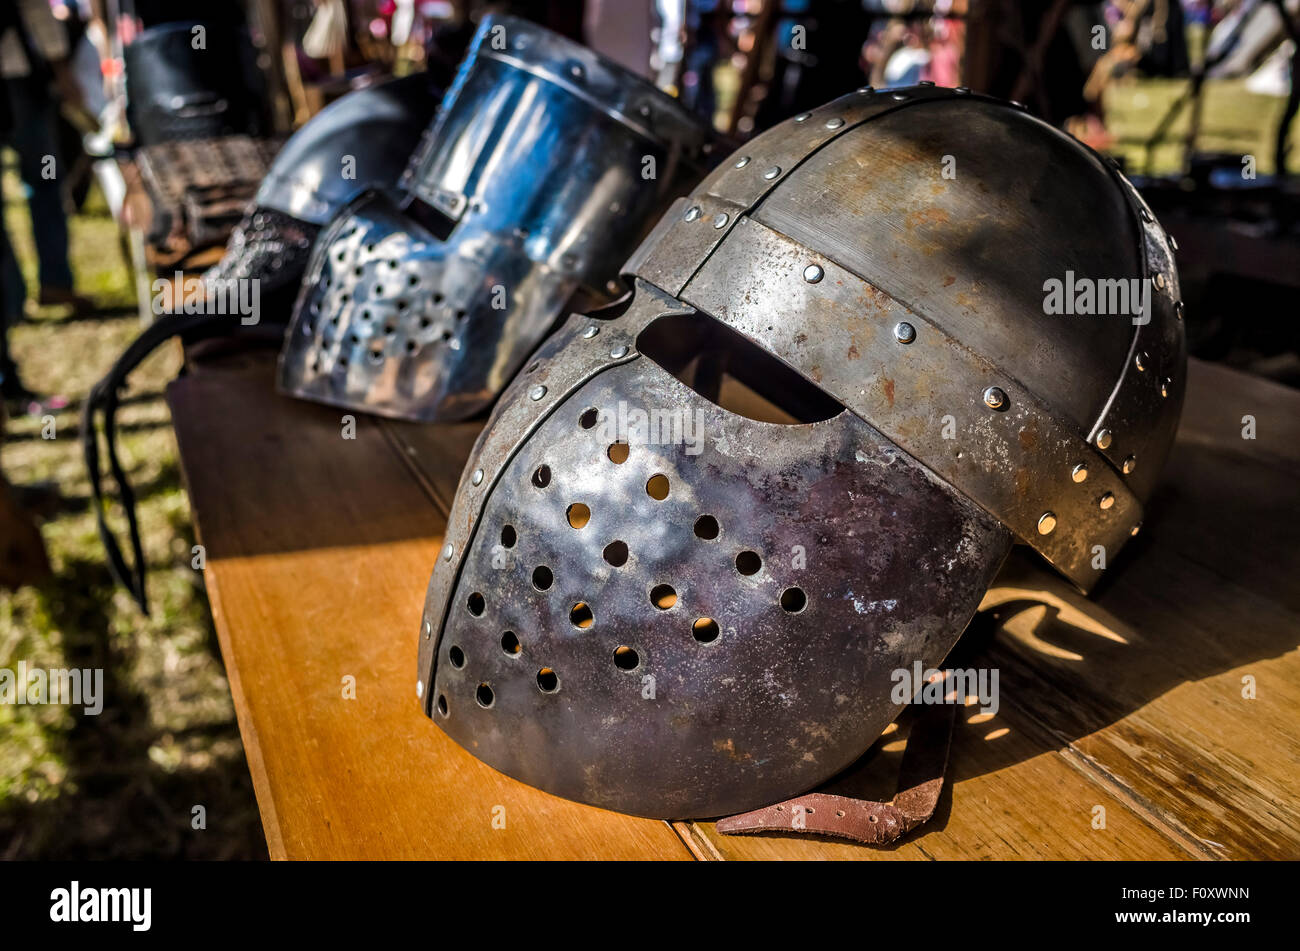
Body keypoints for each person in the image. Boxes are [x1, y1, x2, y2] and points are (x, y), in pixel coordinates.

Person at [1, 0, 91, 409]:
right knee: (44, 180)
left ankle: (32, 292)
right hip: (17, 76)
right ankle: (19, 296)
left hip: (19, 71)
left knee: (45, 180)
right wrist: (60, 65)